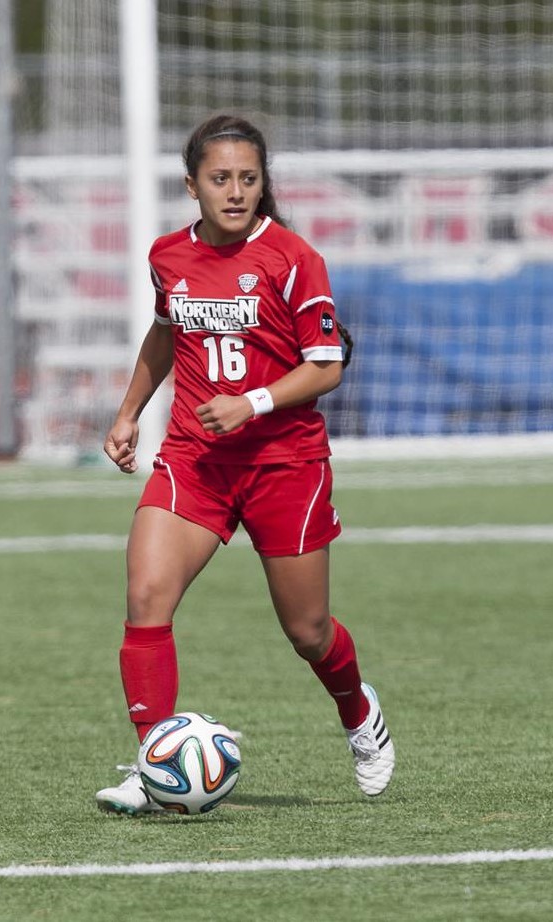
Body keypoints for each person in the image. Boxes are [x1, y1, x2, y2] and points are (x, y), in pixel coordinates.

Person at [94, 114, 394, 815]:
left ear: (264, 184)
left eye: (248, 179)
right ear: (191, 183)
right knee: (146, 599)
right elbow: (166, 332)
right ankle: (152, 764)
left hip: (284, 463)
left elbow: (326, 365)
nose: (235, 192)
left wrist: (253, 402)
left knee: (307, 631)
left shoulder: (292, 258)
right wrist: (128, 411)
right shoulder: (168, 255)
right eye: (220, 178)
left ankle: (359, 713)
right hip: (195, 461)